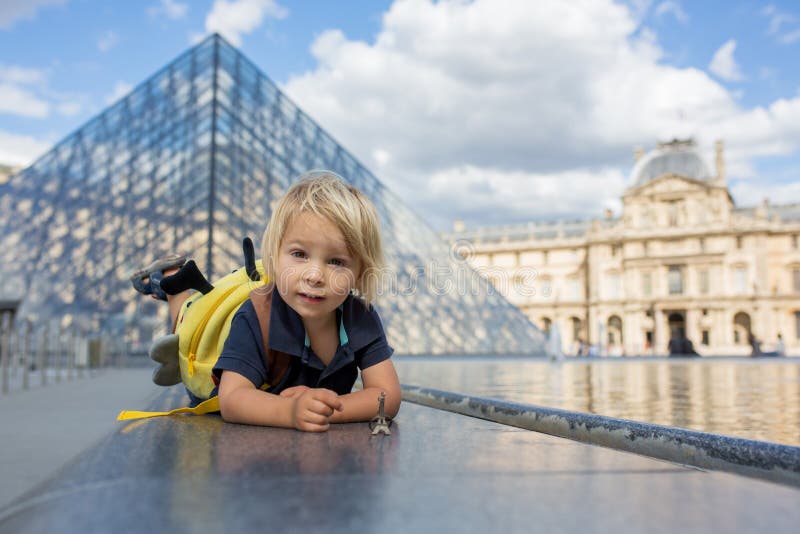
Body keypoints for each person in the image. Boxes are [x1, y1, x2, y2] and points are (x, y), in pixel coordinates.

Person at [132, 171, 401, 432]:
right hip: (208, 364)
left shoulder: (359, 317)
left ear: (360, 272)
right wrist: (291, 412)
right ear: (273, 256)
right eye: (299, 254)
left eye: (336, 262)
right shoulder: (257, 315)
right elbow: (232, 399)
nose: (314, 275)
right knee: (184, 323)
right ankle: (173, 285)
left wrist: (329, 407)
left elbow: (387, 396)